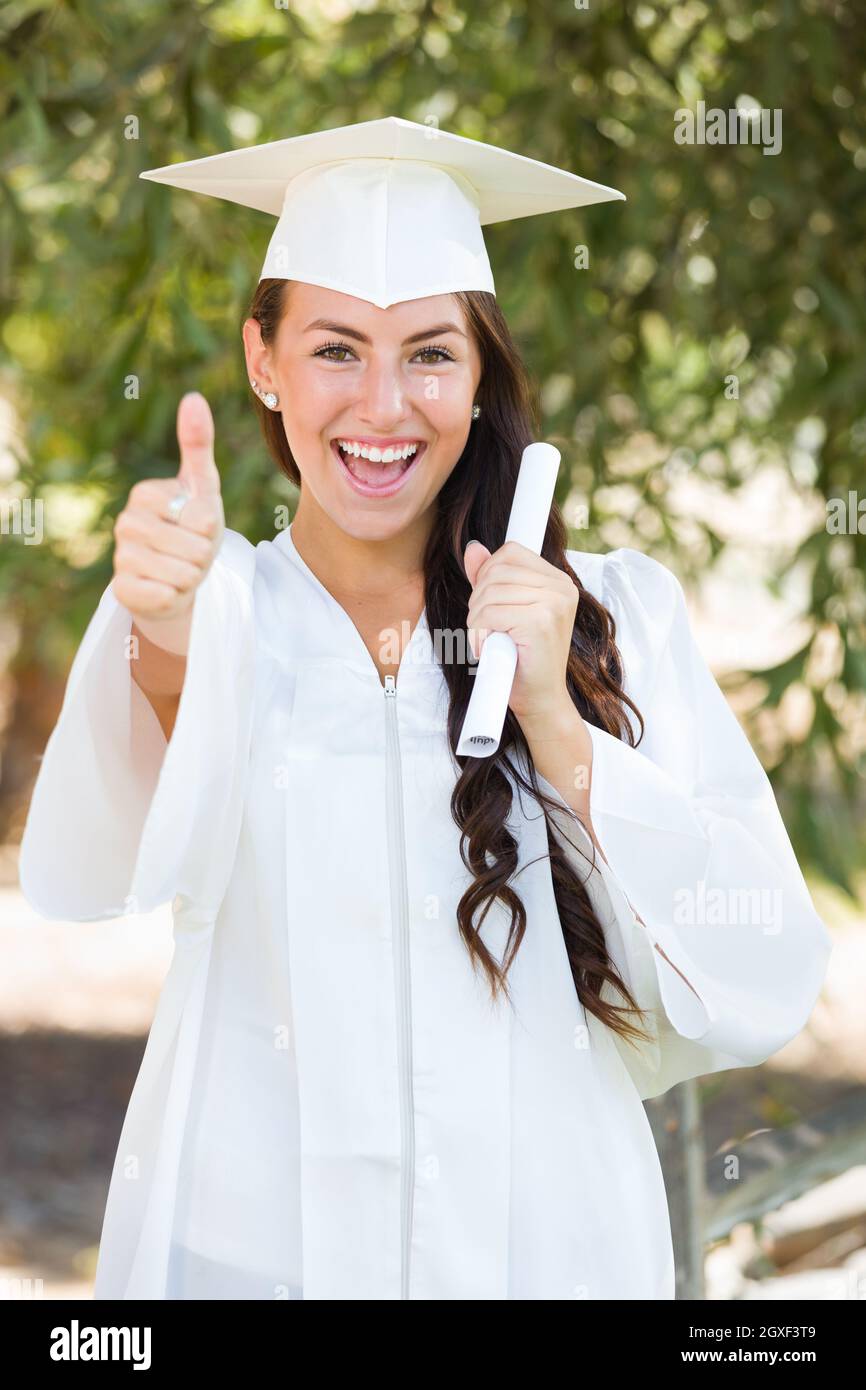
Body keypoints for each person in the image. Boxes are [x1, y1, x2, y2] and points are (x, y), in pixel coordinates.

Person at [19, 117, 832, 1301]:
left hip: (545, 1253)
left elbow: (753, 966)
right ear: (263, 360)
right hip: (253, 1249)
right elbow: (120, 846)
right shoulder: (225, 604)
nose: (384, 405)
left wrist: (553, 714)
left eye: (430, 355)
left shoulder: (609, 612)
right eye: (335, 349)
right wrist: (156, 615)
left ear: (480, 372)